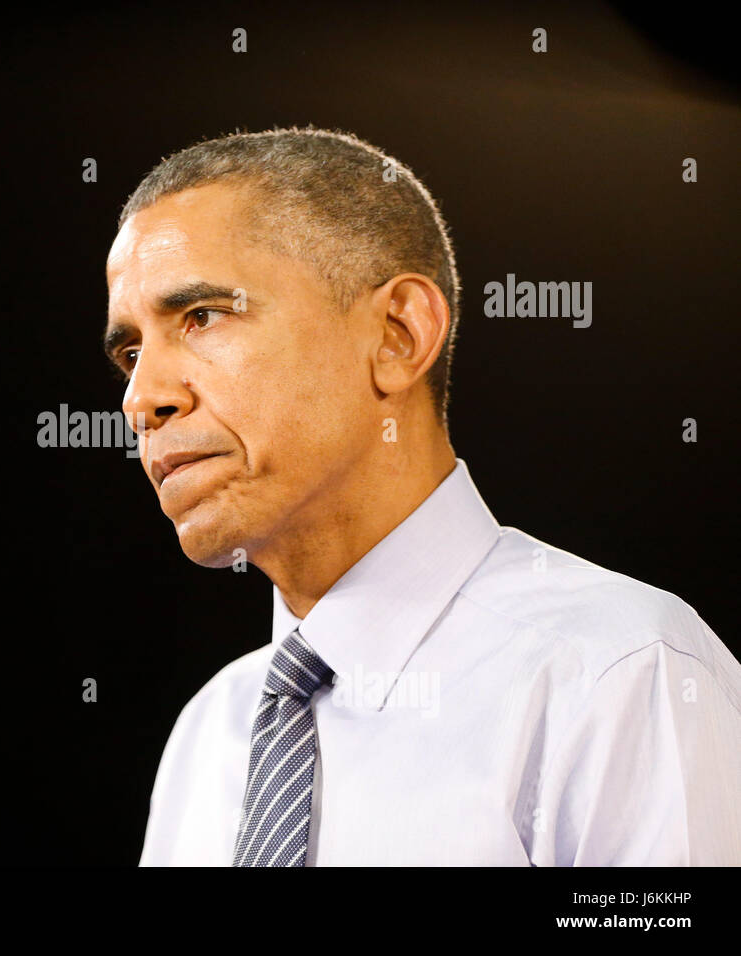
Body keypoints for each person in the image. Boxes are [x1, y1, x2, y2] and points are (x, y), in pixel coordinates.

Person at [101, 126, 741, 866]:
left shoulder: (622, 675)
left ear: (399, 335)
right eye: (131, 352)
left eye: (203, 316)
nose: (141, 398)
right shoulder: (210, 732)